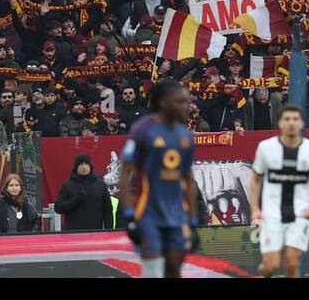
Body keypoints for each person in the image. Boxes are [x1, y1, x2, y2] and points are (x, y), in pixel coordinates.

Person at [118, 80, 201, 278]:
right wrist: (129, 216)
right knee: (153, 272)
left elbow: (188, 179)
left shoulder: (185, 135)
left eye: (186, 102)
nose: (186, 107)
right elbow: (124, 175)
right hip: (147, 214)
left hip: (177, 214)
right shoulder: (142, 130)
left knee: (173, 268)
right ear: (164, 103)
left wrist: (193, 220)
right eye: (180, 102)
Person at [248, 103, 309, 277]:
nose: (291, 123)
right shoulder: (265, 148)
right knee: (271, 266)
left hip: (299, 215)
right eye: (287, 119)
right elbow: (255, 179)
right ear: (279, 123)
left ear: (302, 123)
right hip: (271, 216)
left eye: (295, 119)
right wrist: (255, 209)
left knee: (292, 264)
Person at [54, 153, 115, 232]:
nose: (84, 167)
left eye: (86, 164)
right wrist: (76, 200)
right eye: (81, 164)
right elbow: (58, 208)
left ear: (90, 166)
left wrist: (109, 231)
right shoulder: (68, 185)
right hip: (73, 234)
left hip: (95, 233)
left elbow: (107, 210)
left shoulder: (100, 184)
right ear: (76, 167)